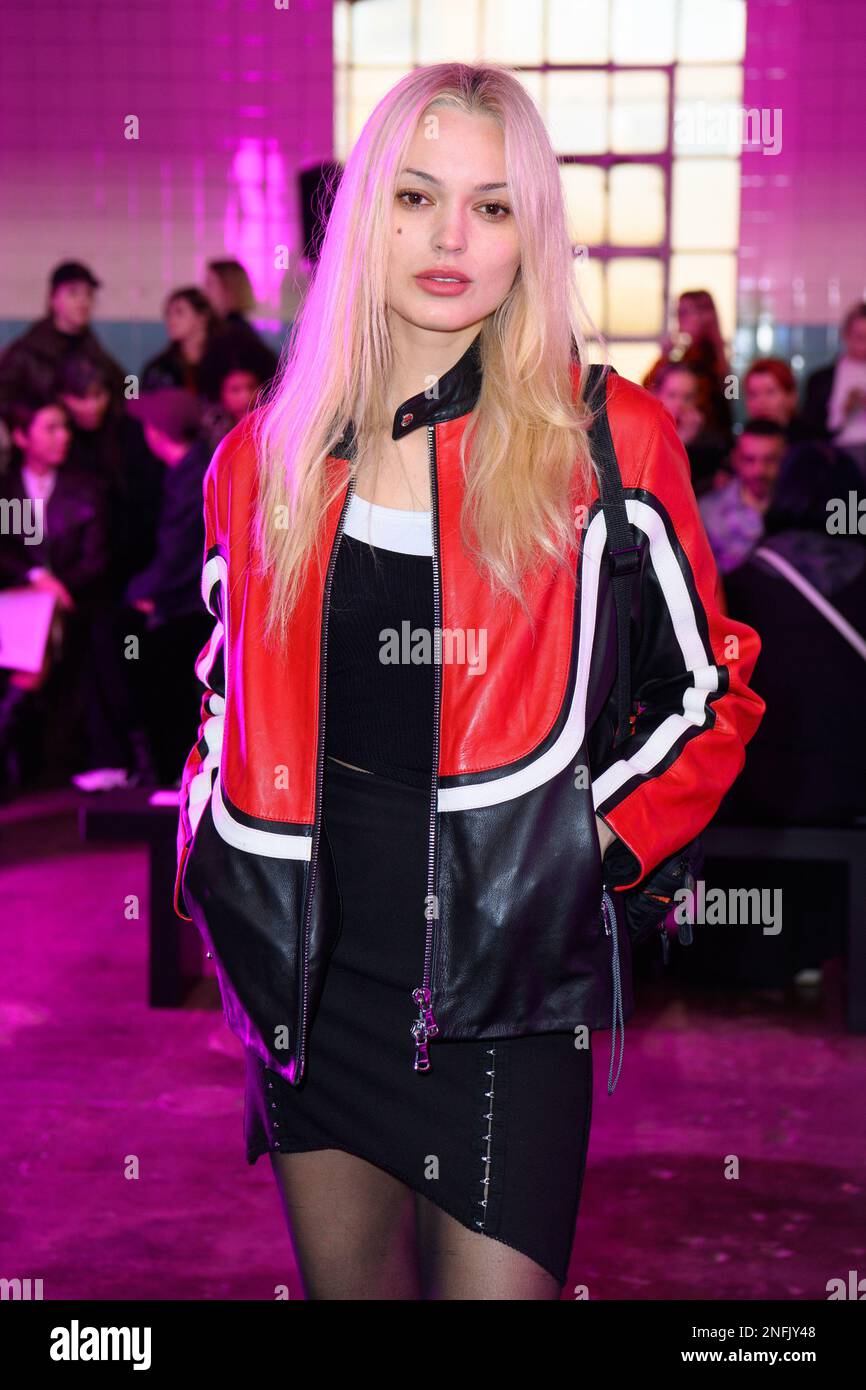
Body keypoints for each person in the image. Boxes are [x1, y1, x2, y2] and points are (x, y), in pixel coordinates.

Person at [172, 63, 764, 1301]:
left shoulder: (606, 437)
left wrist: (587, 847)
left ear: (528, 239)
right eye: (416, 197)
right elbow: (224, 688)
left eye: (493, 208)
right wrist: (209, 840)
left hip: (509, 987)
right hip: (312, 983)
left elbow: (712, 689)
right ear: (359, 222)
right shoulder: (260, 460)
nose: (451, 239)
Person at [0, 398, 108, 793]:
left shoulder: (86, 488)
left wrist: (57, 588)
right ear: (20, 436)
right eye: (50, 428)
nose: (63, 436)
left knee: (38, 637)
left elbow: (96, 561)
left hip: (69, 603)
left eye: (65, 427)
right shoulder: (7, 488)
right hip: (14, 598)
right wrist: (35, 576)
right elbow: (8, 553)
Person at [123, 389, 213, 787]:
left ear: (158, 434)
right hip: (186, 598)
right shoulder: (192, 470)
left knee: (155, 676)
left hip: (187, 607)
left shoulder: (190, 479)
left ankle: (167, 775)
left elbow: (177, 554)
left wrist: (140, 593)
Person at [0, 261, 126, 418]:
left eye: (89, 294)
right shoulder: (26, 354)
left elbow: (130, 383)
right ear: (53, 299)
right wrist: (41, 417)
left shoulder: (95, 352)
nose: (83, 302)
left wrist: (106, 404)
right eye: (73, 293)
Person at [644, 289, 733, 449]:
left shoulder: (701, 360)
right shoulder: (714, 358)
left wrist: (663, 358)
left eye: (684, 312)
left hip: (698, 444)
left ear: (705, 316)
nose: (679, 318)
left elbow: (648, 389)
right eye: (678, 312)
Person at [699, 418, 787, 574]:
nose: (759, 471)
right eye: (749, 460)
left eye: (770, 460)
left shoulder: (799, 510)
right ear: (736, 459)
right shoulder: (708, 512)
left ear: (786, 457)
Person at [197, 259, 279, 402]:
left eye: (210, 284)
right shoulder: (234, 331)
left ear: (229, 288)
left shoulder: (232, 335)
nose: (204, 293)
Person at [802, 302, 866, 473]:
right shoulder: (821, 380)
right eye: (859, 337)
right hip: (837, 457)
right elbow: (811, 430)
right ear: (845, 335)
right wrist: (845, 411)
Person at [649, 361, 728, 496]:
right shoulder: (646, 437)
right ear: (656, 394)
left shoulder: (711, 444)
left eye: (688, 397)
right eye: (672, 395)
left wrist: (686, 443)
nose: (679, 404)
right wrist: (680, 442)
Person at [140, 288, 220, 393]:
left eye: (179, 312)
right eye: (168, 314)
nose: (171, 320)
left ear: (202, 317)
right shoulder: (160, 369)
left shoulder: (221, 361)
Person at [743, 357, 816, 445]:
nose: (761, 402)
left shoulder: (809, 446)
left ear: (791, 396)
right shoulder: (740, 446)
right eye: (753, 394)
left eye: (770, 392)